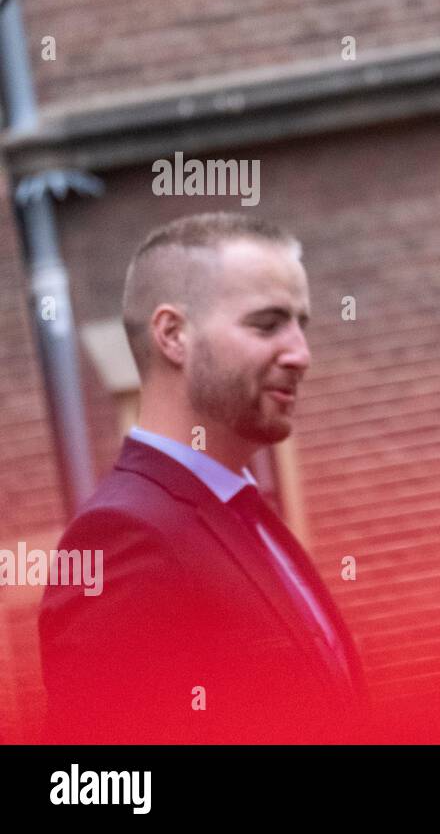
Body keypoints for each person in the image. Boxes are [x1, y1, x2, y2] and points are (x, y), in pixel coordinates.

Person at [39, 212, 367, 742]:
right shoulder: (123, 539)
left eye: (300, 326)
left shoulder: (245, 510)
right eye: (267, 324)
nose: (301, 355)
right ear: (173, 335)